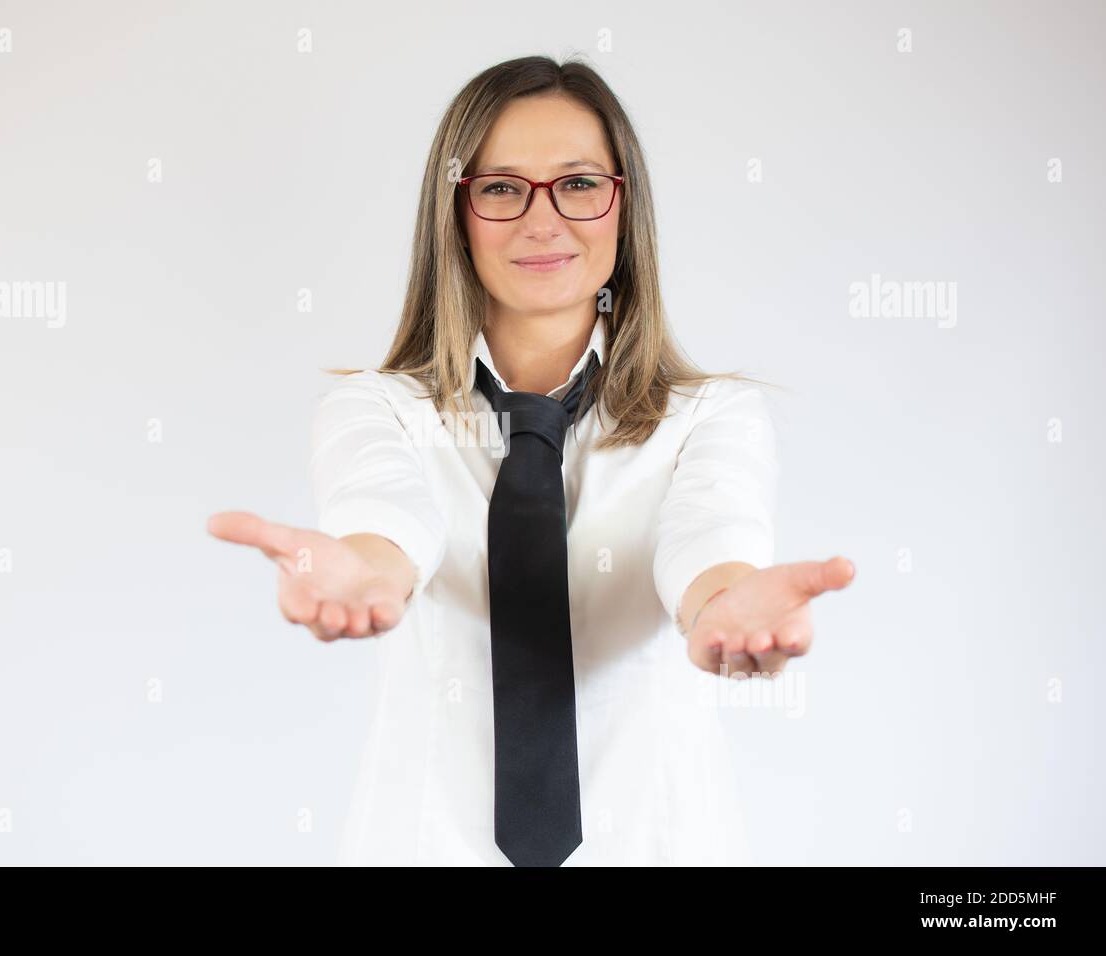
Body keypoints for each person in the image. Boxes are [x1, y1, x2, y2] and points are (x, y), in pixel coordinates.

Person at [208, 55, 855, 866]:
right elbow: (383, 514)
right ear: (457, 211)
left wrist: (725, 604)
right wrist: (369, 571)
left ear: (624, 206)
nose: (542, 222)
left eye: (579, 183)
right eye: (501, 187)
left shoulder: (710, 417)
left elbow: (710, 542)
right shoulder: (377, 410)